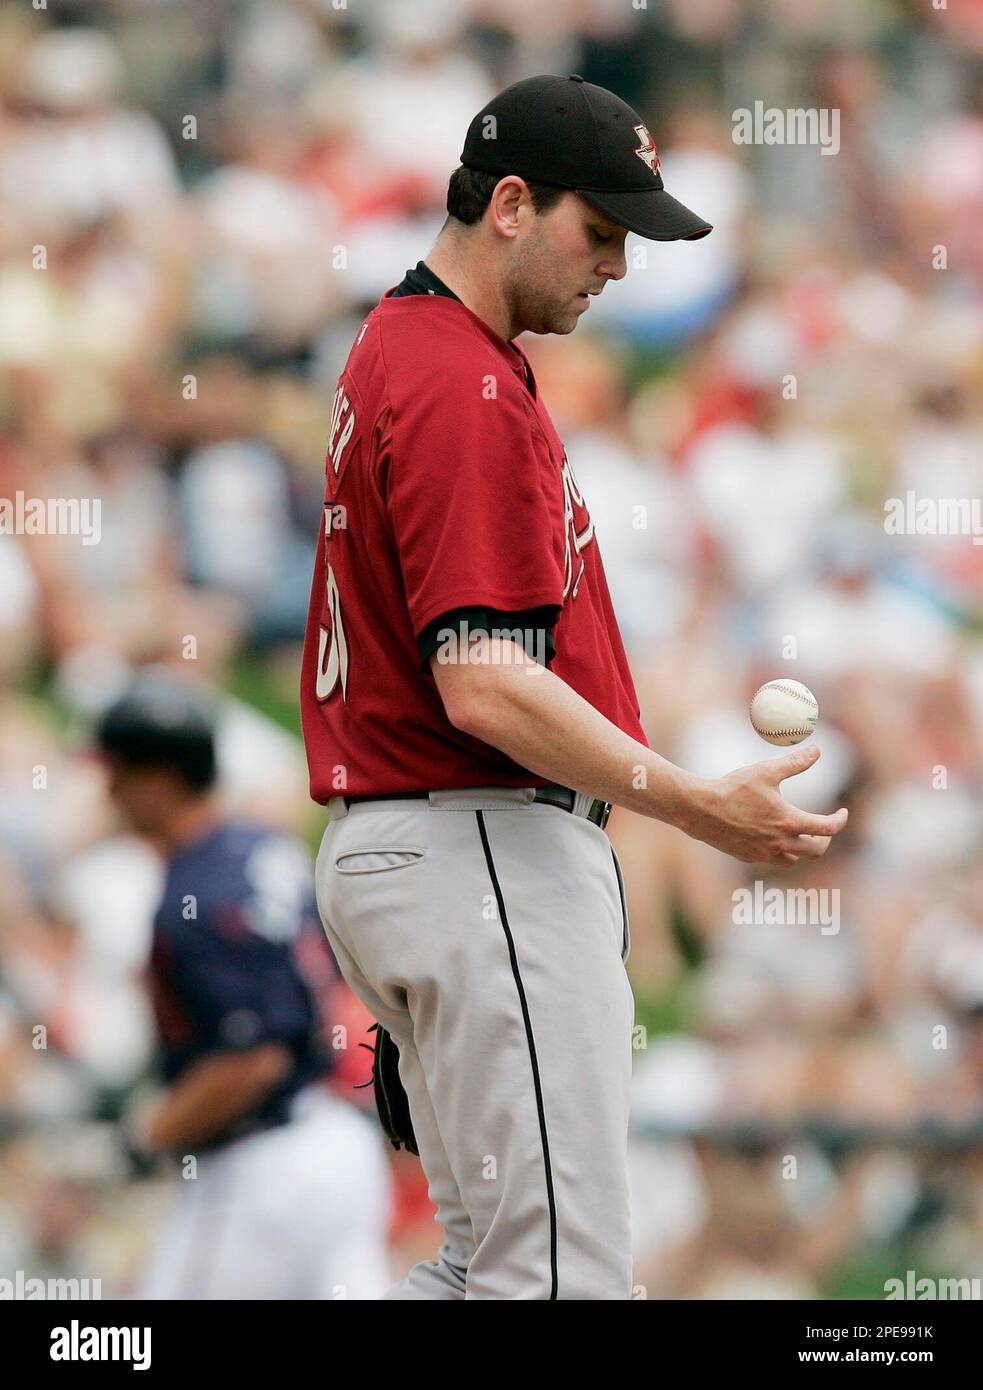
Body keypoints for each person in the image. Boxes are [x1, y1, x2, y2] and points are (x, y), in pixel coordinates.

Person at [300, 75, 848, 1300]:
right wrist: (693, 805)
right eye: (596, 232)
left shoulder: (407, 342)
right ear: (509, 203)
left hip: (424, 850)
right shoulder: (462, 378)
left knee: (481, 1268)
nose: (614, 266)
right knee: (563, 1280)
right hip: (478, 838)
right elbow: (483, 684)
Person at [95, 669, 391, 1299]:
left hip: (264, 1166)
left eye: (118, 771)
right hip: (338, 1145)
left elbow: (252, 1060)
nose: (109, 788)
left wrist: (144, 1136)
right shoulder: (258, 846)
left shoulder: (195, 897)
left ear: (160, 778)